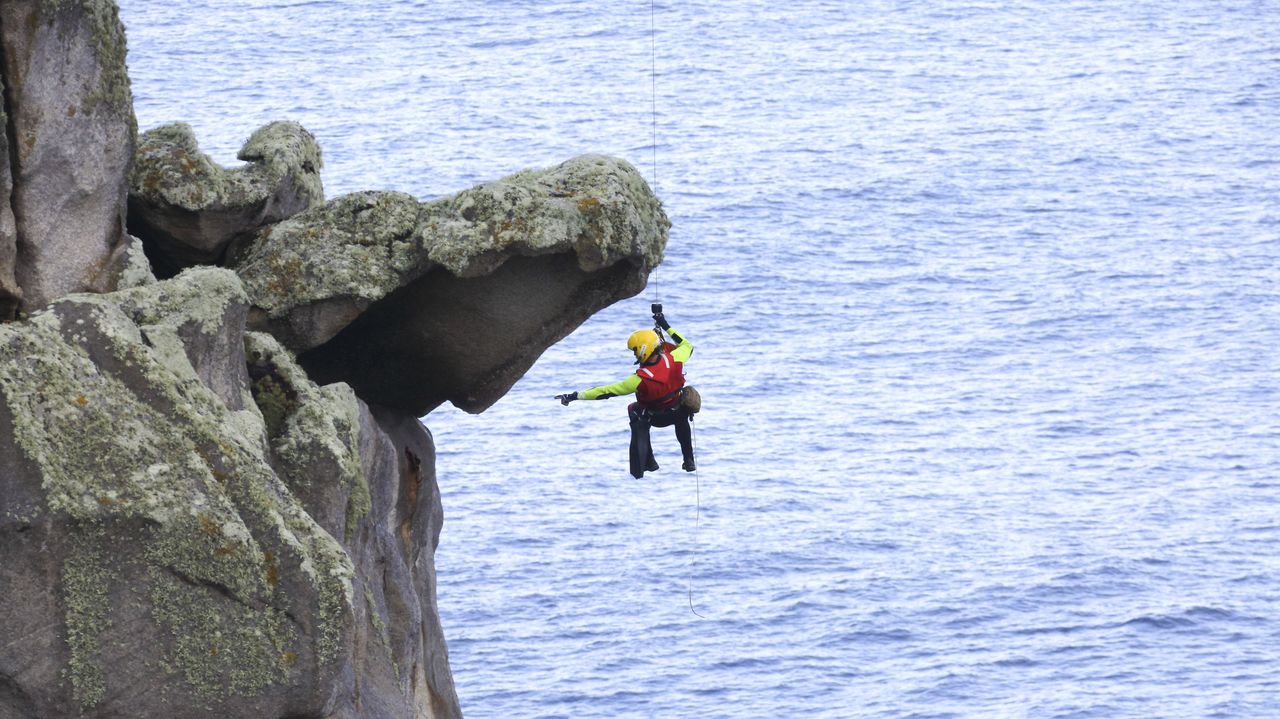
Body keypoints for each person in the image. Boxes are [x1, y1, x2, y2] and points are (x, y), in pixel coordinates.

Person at [556, 306, 695, 478]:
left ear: (643, 350)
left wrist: (575, 396)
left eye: (635, 351)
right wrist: (665, 325)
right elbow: (687, 345)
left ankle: (649, 461)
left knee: (633, 409)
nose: (635, 354)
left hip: (657, 418)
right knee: (681, 412)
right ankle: (688, 459)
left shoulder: (638, 380)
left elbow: (605, 391)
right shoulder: (675, 358)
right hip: (677, 412)